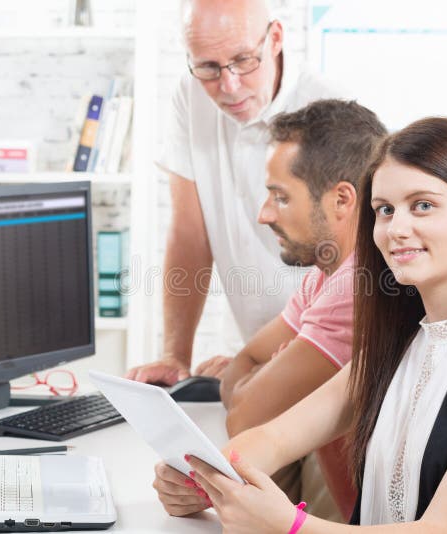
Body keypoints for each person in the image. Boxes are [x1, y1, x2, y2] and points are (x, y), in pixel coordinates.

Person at [177, 117, 447, 532]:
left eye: (422, 205)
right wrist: (197, 475)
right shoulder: (396, 347)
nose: (396, 229)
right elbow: (275, 438)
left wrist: (289, 525)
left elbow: (441, 529)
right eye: (385, 210)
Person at [152, 99, 388, 521]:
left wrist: (262, 376)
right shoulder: (326, 276)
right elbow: (244, 363)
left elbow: (244, 415)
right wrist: (265, 373)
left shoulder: (356, 286)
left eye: (280, 197)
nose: (264, 215)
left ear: (342, 199)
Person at [125, 0, 341, 385]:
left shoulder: (332, 113)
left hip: (325, 356)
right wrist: (176, 356)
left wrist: (271, 365)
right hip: (250, 348)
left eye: (243, 60)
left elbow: (350, 271)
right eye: (208, 67)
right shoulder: (190, 95)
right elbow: (190, 233)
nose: (229, 86)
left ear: (275, 39)